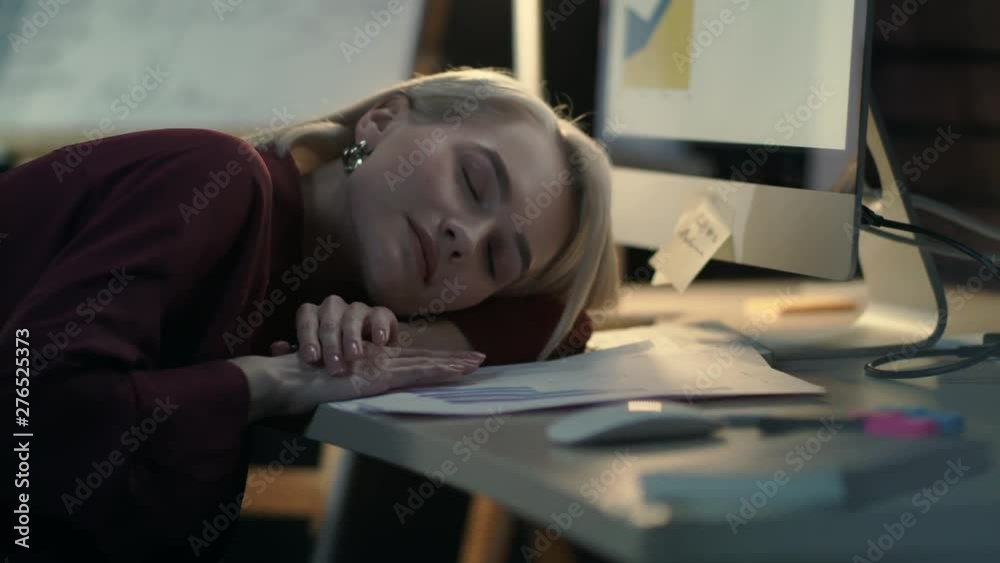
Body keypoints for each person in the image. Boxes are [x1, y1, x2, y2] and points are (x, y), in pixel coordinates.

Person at [0, 67, 619, 561]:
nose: (466, 234)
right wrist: (271, 382)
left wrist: (402, 336)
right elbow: (32, 415)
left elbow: (564, 323)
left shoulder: (322, 300)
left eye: (495, 259)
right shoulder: (222, 182)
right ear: (380, 121)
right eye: (474, 181)